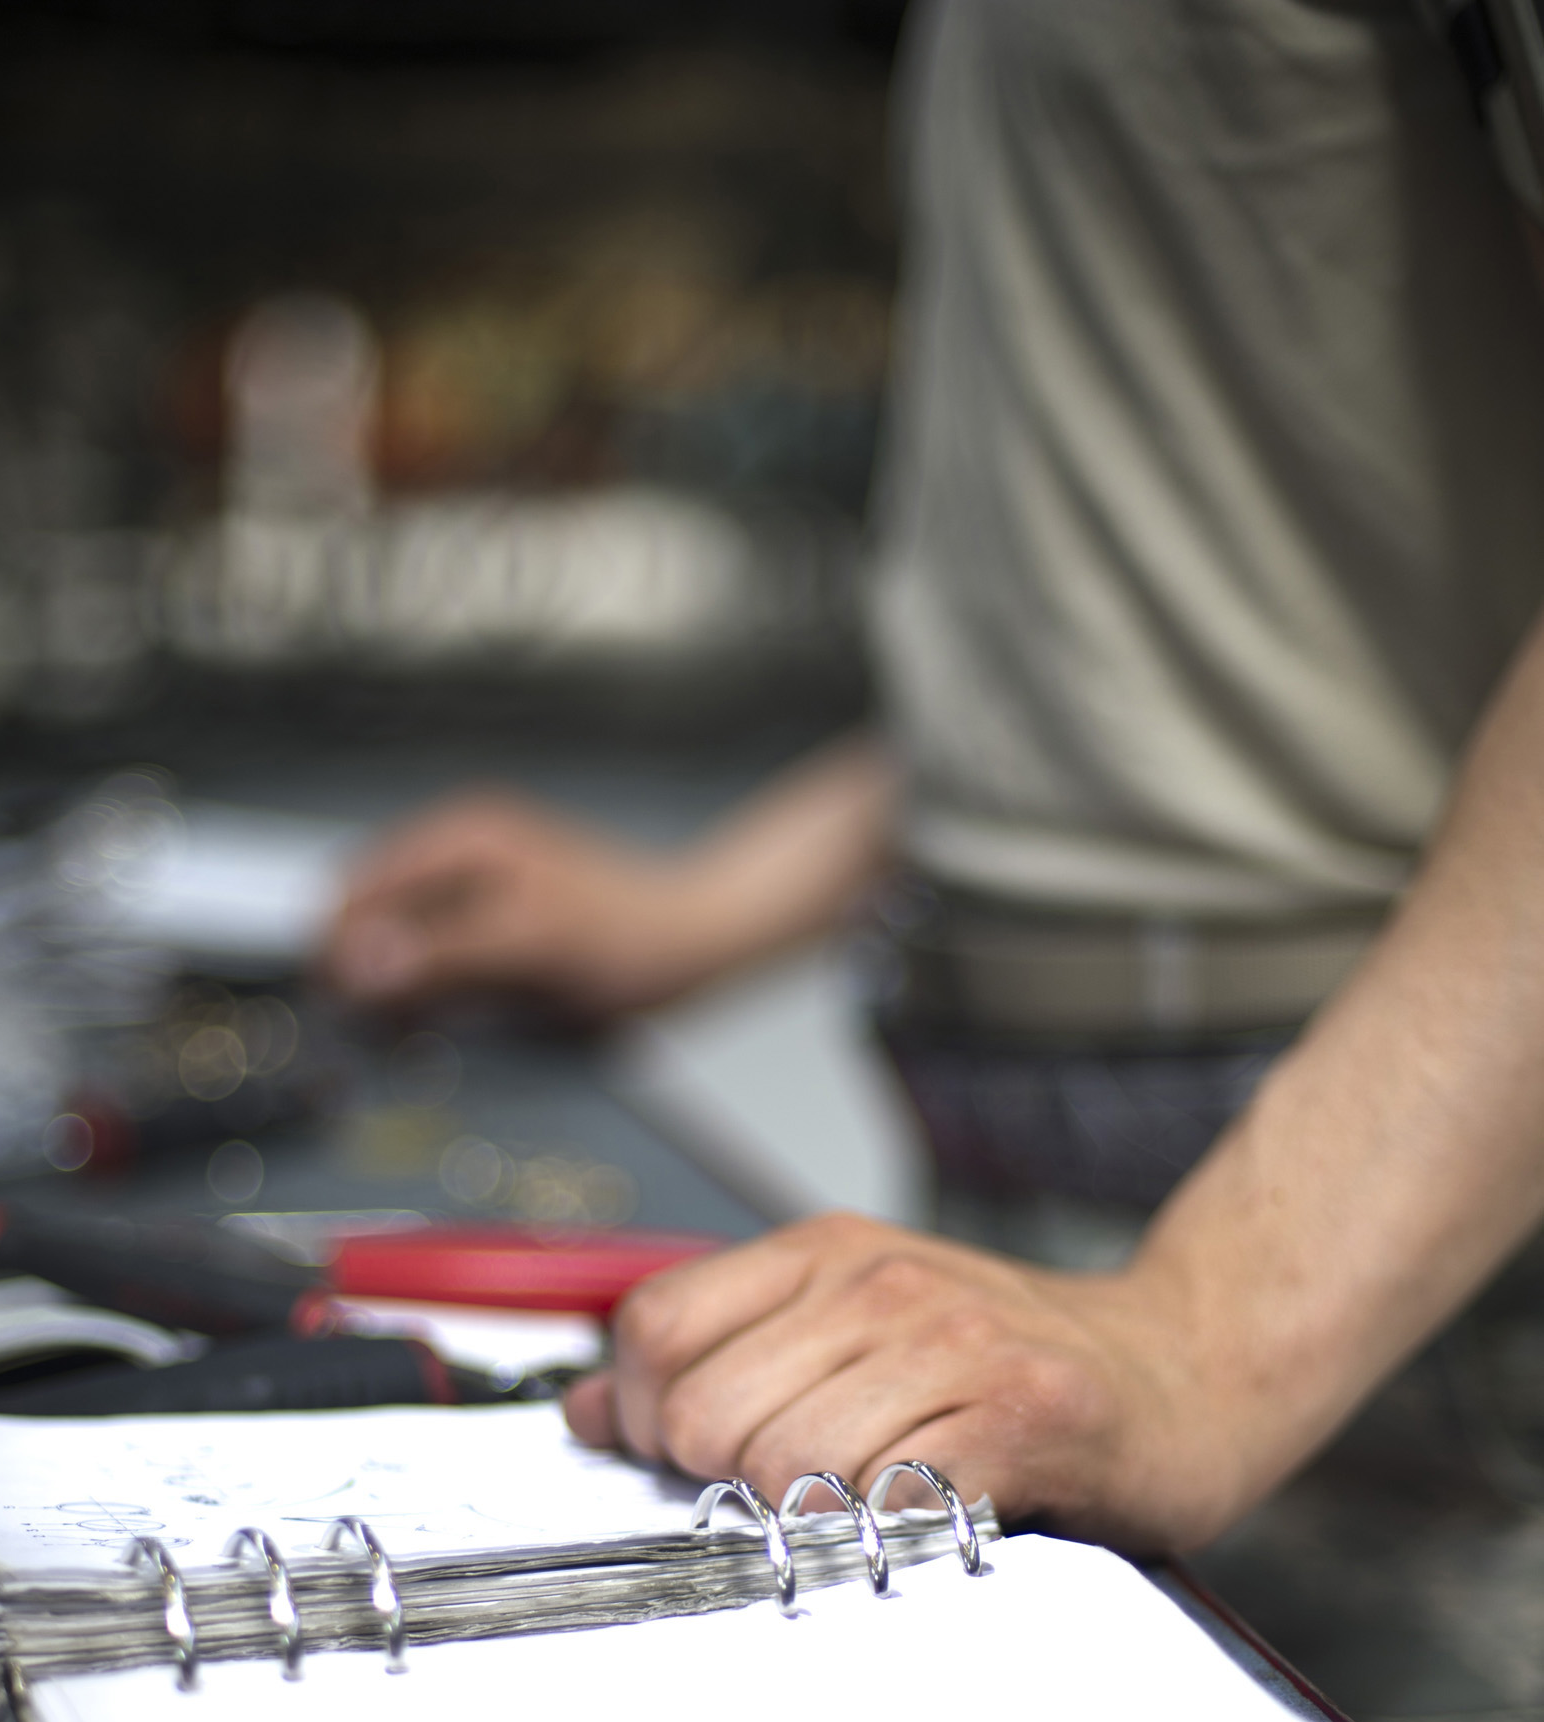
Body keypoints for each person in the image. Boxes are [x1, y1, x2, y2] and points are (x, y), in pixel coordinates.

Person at [321, 1, 1544, 1552]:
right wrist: (706, 909)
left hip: (1391, 1251)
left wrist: (1216, 1323)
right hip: (1057, 1206)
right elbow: (1153, 595)